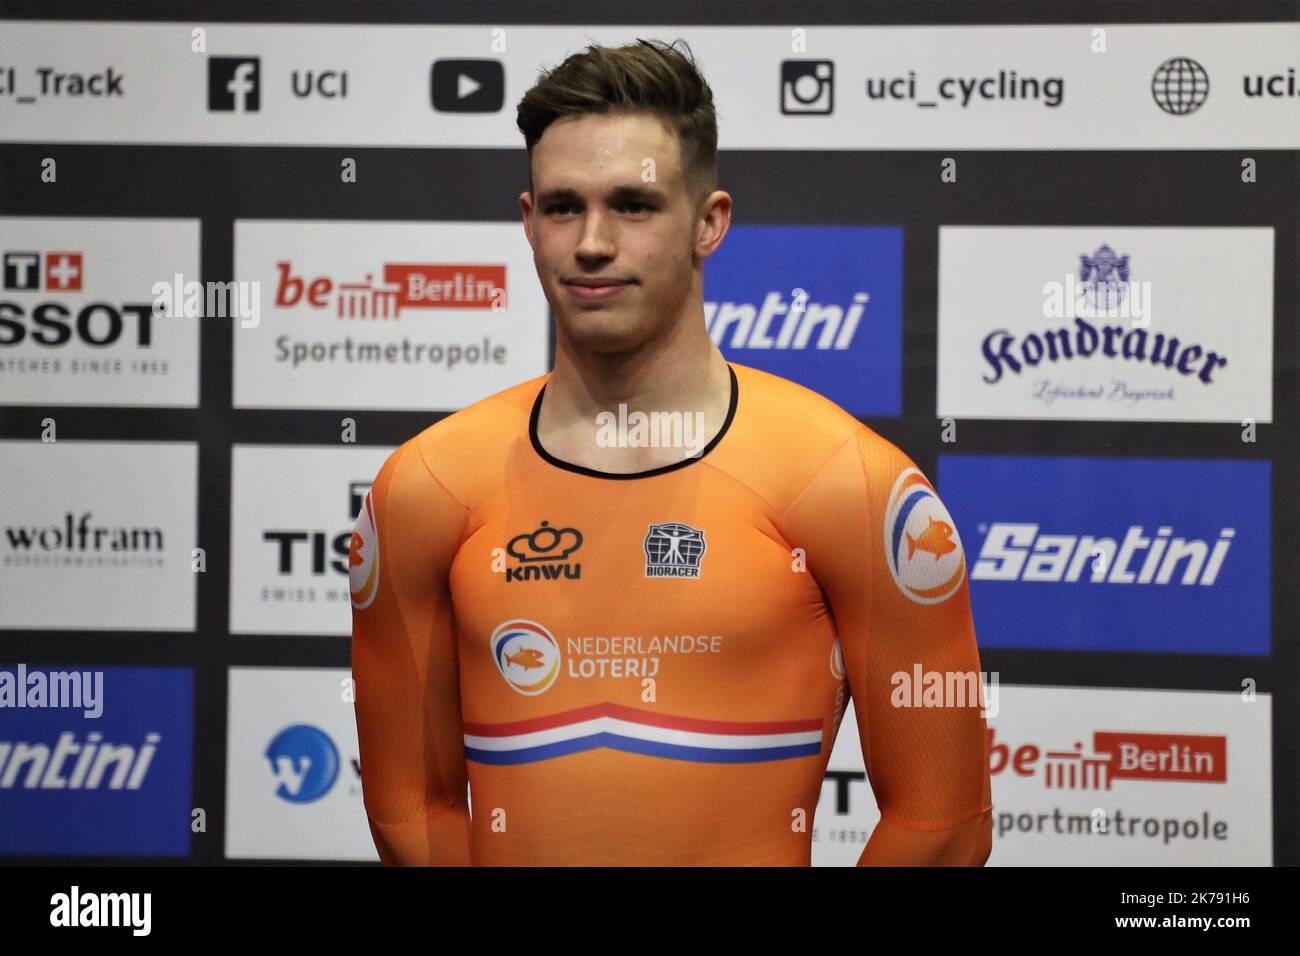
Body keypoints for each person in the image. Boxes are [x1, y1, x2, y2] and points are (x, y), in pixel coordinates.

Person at [349, 38, 992, 866]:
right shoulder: (427, 487)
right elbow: (411, 806)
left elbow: (945, 823)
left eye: (633, 205)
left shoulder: (848, 484)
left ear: (709, 224)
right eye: (562, 206)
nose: (591, 242)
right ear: (528, 222)